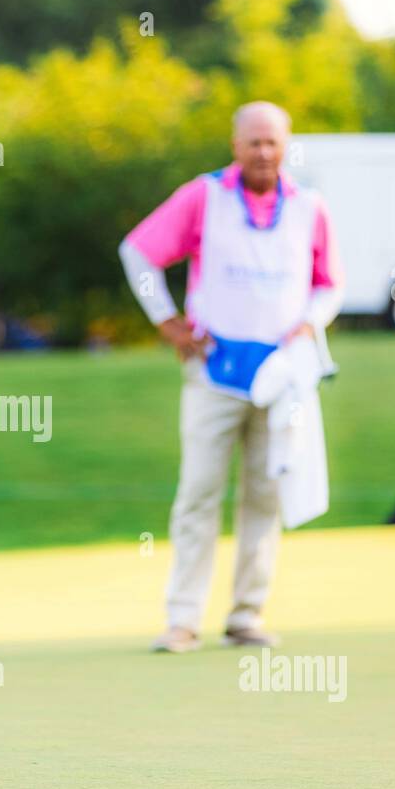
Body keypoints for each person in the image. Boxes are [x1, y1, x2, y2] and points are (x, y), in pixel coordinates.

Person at [118, 101, 342, 653]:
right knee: (198, 491)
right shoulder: (205, 196)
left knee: (265, 495)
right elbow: (137, 252)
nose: (264, 152)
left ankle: (246, 615)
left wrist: (310, 326)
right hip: (213, 370)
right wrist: (166, 321)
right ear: (236, 144)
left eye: (273, 143)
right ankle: (183, 619)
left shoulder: (309, 207)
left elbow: (328, 285)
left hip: (280, 377)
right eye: (254, 142)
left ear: (286, 145)